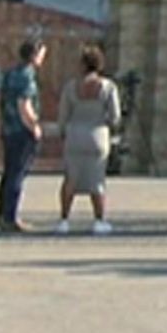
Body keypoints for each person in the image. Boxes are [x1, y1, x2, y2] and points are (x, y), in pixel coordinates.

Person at [54, 44, 121, 235]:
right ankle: (99, 221)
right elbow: (115, 116)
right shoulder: (108, 87)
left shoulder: (71, 87)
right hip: (98, 136)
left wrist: (63, 132)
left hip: (75, 135)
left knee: (70, 179)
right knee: (97, 181)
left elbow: (63, 115)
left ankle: (64, 220)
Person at [0, 40, 47, 233]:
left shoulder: (11, 73)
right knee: (17, 174)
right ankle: (10, 217)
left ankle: (3, 214)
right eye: (41, 54)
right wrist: (34, 126)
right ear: (34, 55)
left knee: (8, 173)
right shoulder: (26, 76)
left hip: (8, 128)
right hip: (21, 131)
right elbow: (24, 104)